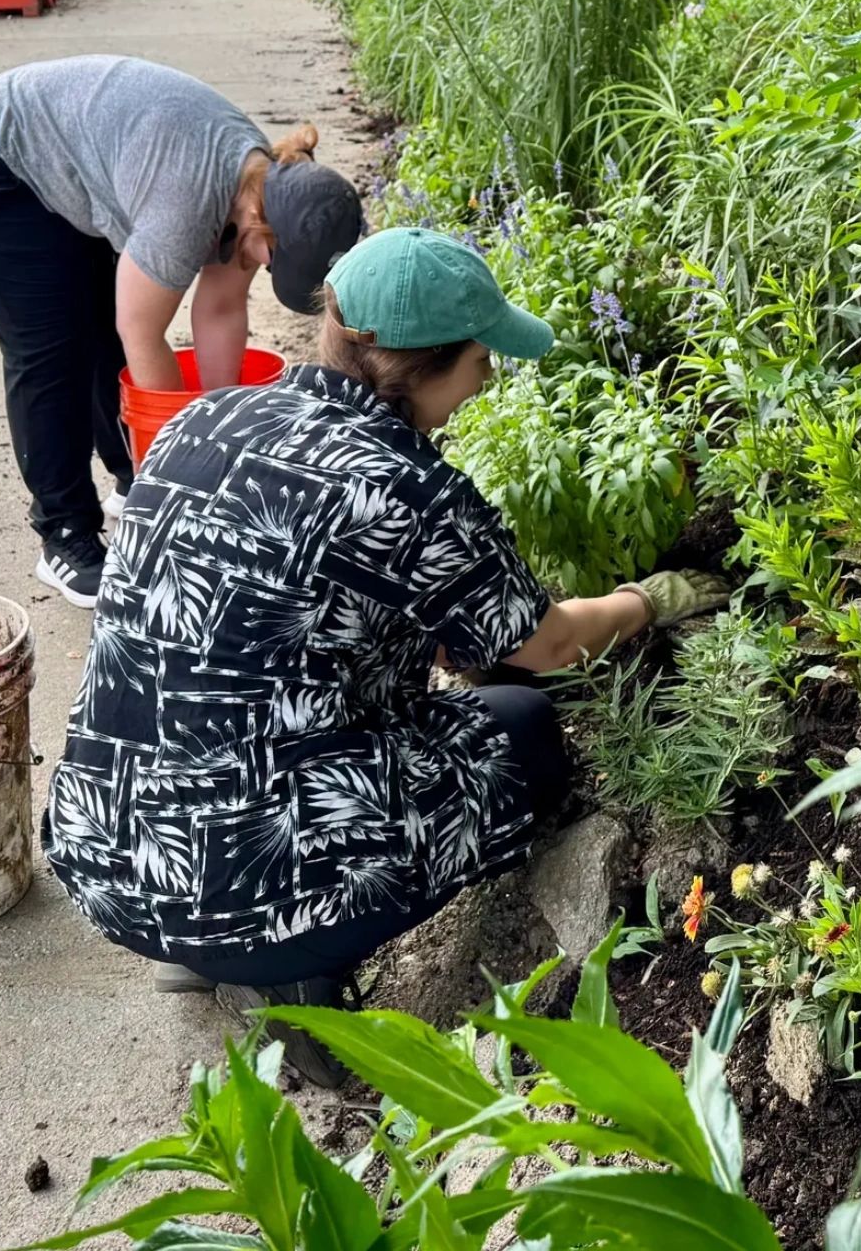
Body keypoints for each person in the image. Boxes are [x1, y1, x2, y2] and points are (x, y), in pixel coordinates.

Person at [43, 226, 727, 1082]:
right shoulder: (399, 484)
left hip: (105, 851)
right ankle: (296, 976)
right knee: (523, 733)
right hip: (244, 885)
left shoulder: (205, 417)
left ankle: (195, 946)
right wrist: (642, 603)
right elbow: (546, 644)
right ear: (425, 365)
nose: (483, 385)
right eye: (481, 361)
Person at [0, 55, 364, 609]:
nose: (268, 267)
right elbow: (142, 333)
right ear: (259, 216)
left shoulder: (265, 180)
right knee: (52, 347)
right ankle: (65, 534)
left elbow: (222, 309)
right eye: (274, 256)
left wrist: (222, 441)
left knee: (100, 335)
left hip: (64, 169)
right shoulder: (189, 202)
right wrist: (178, 477)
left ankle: (131, 479)